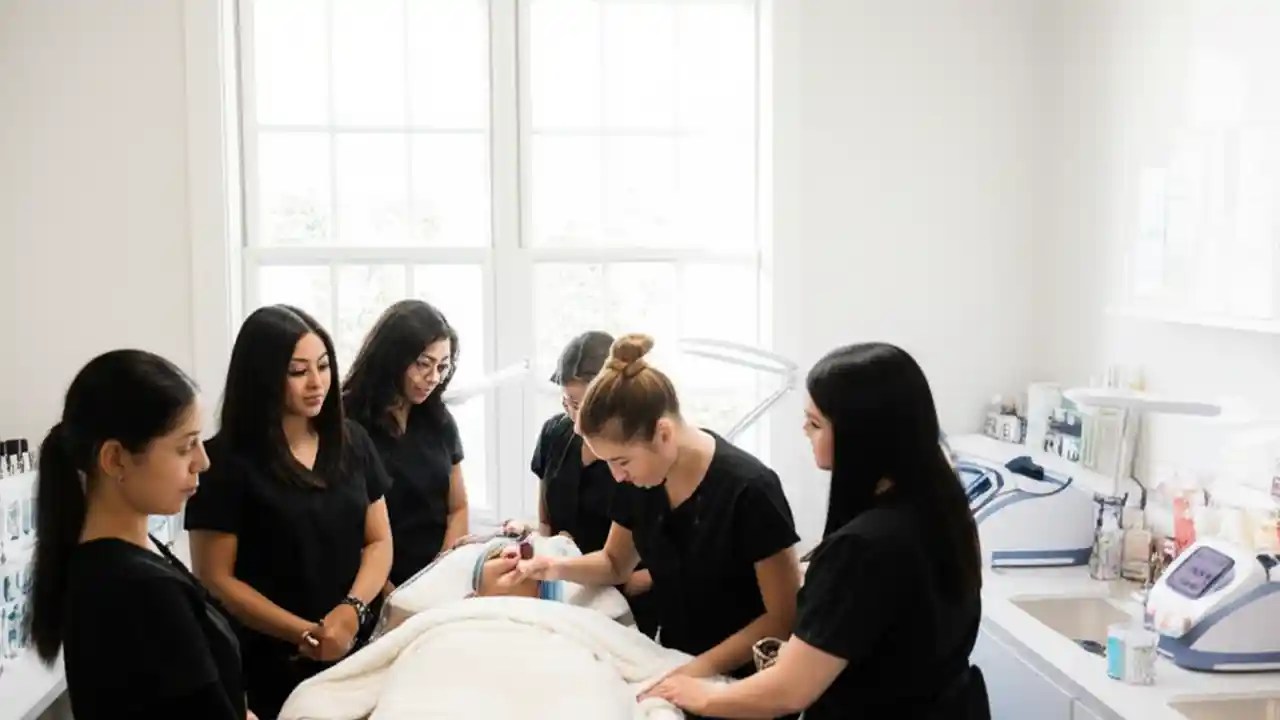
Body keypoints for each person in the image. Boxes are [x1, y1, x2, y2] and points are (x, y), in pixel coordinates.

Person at [645, 343, 990, 719]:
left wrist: (695, 693)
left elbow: (787, 691)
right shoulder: (941, 510)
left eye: (815, 423)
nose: (804, 430)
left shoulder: (864, 547)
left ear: (861, 435)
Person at [516, 334, 801, 718]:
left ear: (663, 434)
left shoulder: (750, 491)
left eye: (621, 461)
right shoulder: (642, 483)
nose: (616, 477)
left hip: (745, 683)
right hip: (672, 659)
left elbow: (782, 618)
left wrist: (695, 672)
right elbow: (616, 563)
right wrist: (551, 567)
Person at [186, 305, 394, 719]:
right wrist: (307, 633)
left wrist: (350, 612)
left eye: (323, 366)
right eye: (298, 372)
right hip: (271, 660)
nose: (317, 383)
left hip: (357, 645)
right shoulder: (222, 462)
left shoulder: (352, 442)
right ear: (262, 376)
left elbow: (379, 540)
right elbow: (215, 576)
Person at [28, 350, 250, 719]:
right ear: (115, 459)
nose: (203, 461)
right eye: (185, 447)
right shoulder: (138, 588)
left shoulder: (137, 557)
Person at [531, 330, 657, 636]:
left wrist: (637, 581)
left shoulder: (638, 453)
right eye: (568, 403)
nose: (576, 419)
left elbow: (675, 545)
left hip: (627, 596)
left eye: (584, 405)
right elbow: (546, 520)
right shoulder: (555, 434)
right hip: (568, 588)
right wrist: (547, 553)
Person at [343, 299, 468, 589]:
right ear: (393, 357)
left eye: (443, 367)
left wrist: (443, 570)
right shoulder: (348, 424)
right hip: (370, 584)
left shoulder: (438, 419)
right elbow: (343, 531)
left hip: (438, 578)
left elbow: (458, 508)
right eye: (423, 364)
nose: (433, 378)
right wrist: (388, 594)